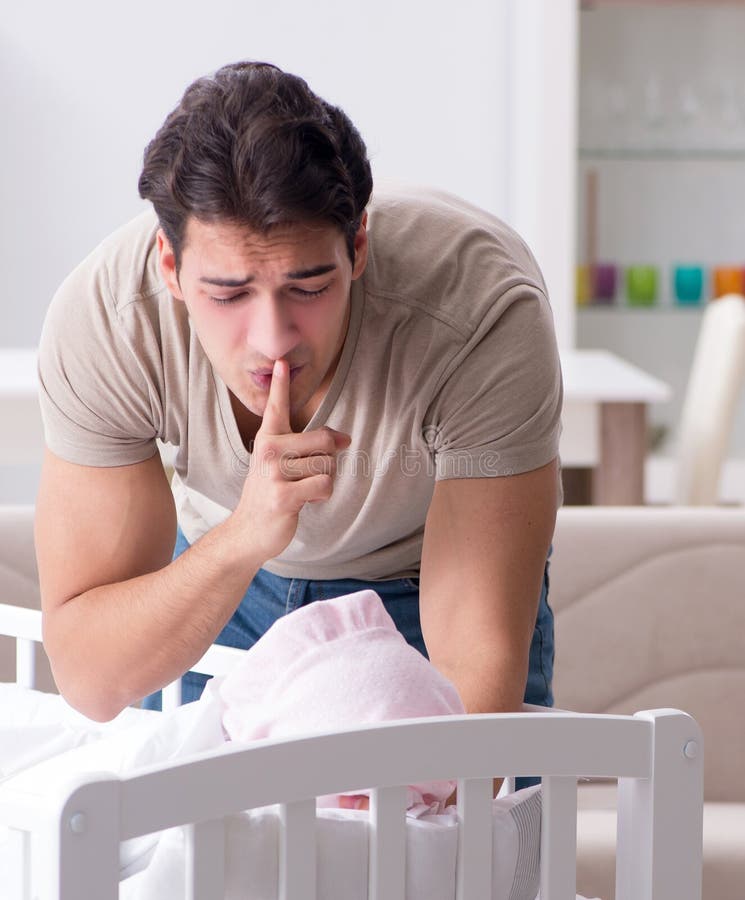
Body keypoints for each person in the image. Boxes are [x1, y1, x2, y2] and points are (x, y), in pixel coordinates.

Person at [34, 61, 562, 736]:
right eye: (227, 294)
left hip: (419, 585)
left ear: (358, 248)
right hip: (220, 579)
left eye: (308, 288)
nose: (273, 338)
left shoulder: (478, 308)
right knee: (182, 833)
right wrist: (243, 537)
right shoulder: (109, 320)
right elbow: (89, 678)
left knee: (464, 832)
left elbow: (472, 662)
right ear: (169, 265)